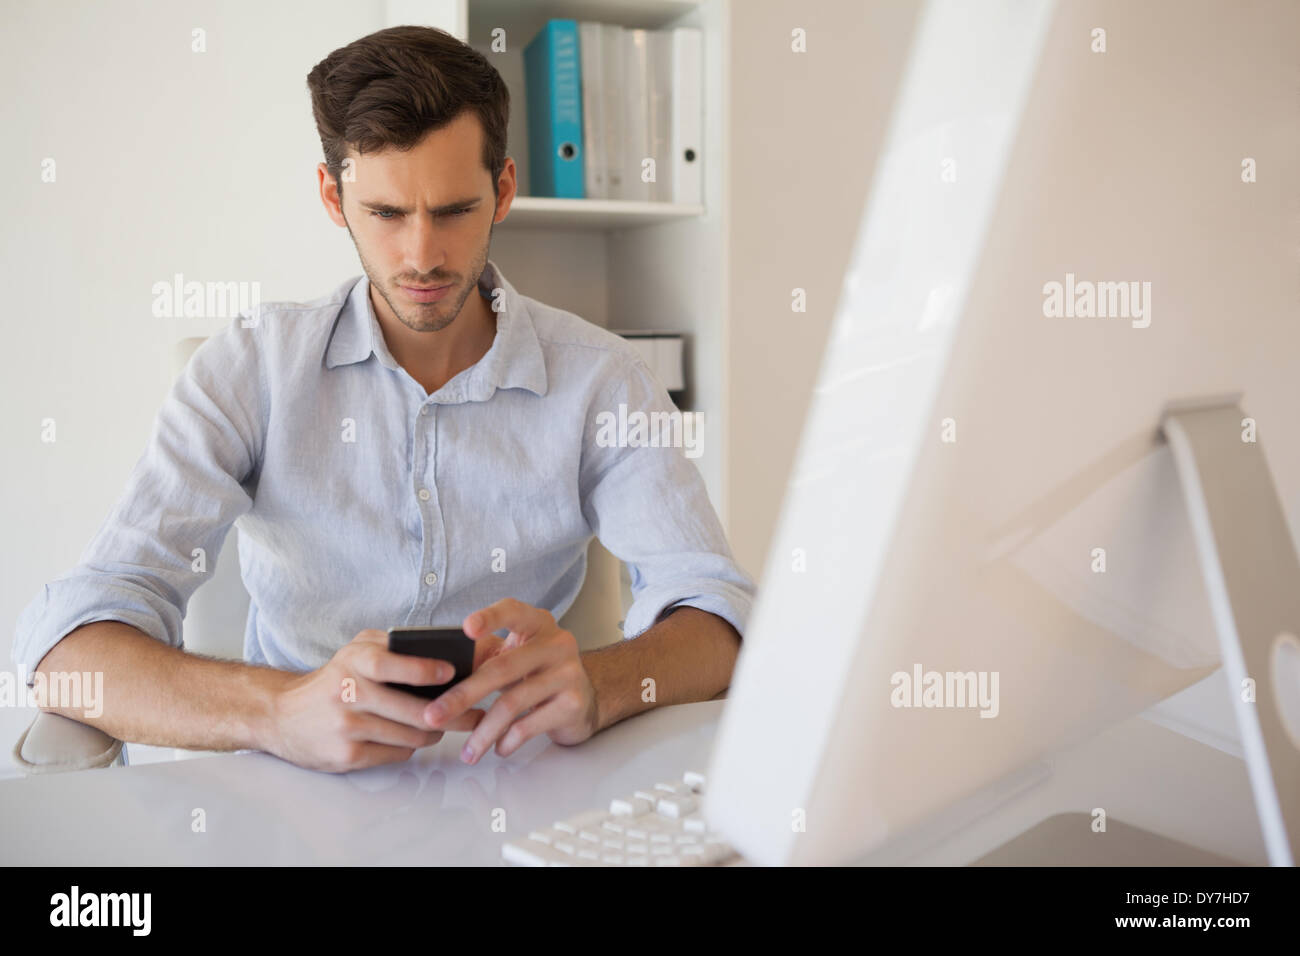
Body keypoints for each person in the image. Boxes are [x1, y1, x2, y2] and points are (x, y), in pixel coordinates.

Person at [13, 25, 754, 773]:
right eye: (388, 214)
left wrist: (597, 681)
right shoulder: (250, 368)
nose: (423, 255)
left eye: (456, 210)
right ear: (334, 197)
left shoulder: (604, 380)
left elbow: (719, 613)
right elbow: (67, 646)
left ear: (502, 190)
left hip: (518, 778)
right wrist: (280, 710)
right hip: (292, 786)